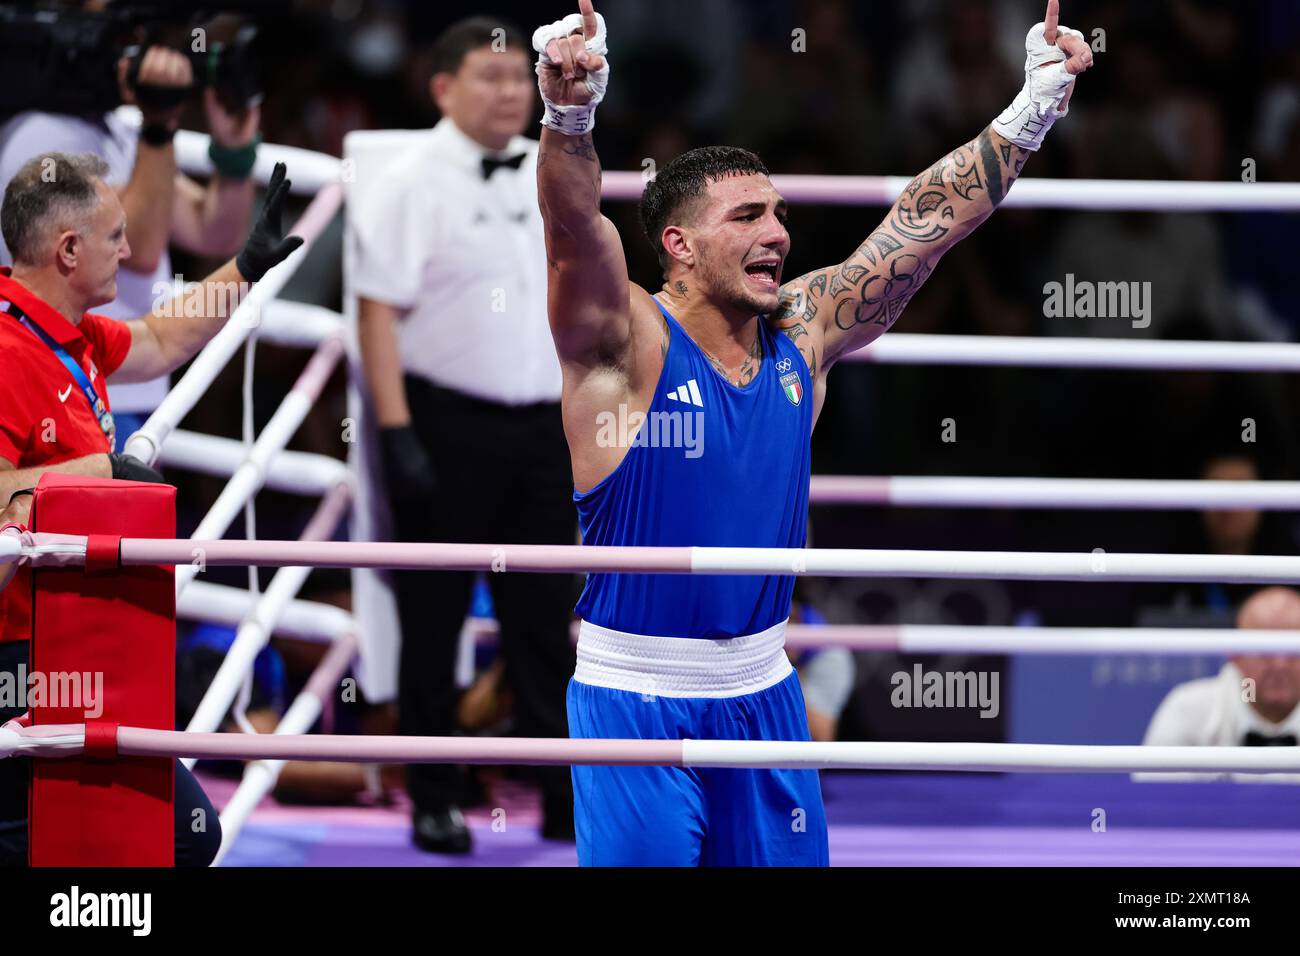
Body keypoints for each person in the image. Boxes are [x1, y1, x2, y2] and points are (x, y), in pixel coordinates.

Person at [532, 0, 1091, 865]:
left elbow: (924, 222)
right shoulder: (625, 343)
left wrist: (1032, 107)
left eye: (779, 214)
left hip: (764, 689)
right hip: (633, 694)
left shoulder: (804, 332)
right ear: (676, 244)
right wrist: (571, 115)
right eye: (747, 217)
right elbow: (574, 234)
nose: (778, 234)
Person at [0, 151, 302, 866]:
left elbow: (162, 339)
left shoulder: (63, 331)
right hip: (16, 652)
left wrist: (244, 268)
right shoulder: (6, 348)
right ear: (67, 249)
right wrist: (97, 472)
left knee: (172, 834)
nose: (131, 252)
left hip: (75, 636)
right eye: (114, 238)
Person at [352, 17, 576, 853]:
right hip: (443, 423)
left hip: (544, 427)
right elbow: (378, 308)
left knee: (544, 620)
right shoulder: (412, 179)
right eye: (491, 76)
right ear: (442, 88)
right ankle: (434, 798)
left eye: (521, 76)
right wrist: (395, 432)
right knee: (434, 619)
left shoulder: (552, 167)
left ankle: (564, 797)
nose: (511, 90)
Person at [0, 27, 262, 448]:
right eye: (132, 43)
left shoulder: (118, 131)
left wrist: (234, 153)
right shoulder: (39, 134)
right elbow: (140, 244)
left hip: (126, 372)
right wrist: (160, 125)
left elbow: (215, 231)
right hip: (74, 390)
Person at [1139, 587, 1300, 784]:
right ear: (1235, 653)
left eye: (1293, 649)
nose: (1279, 664)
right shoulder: (1187, 709)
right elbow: (1154, 803)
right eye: (1265, 649)